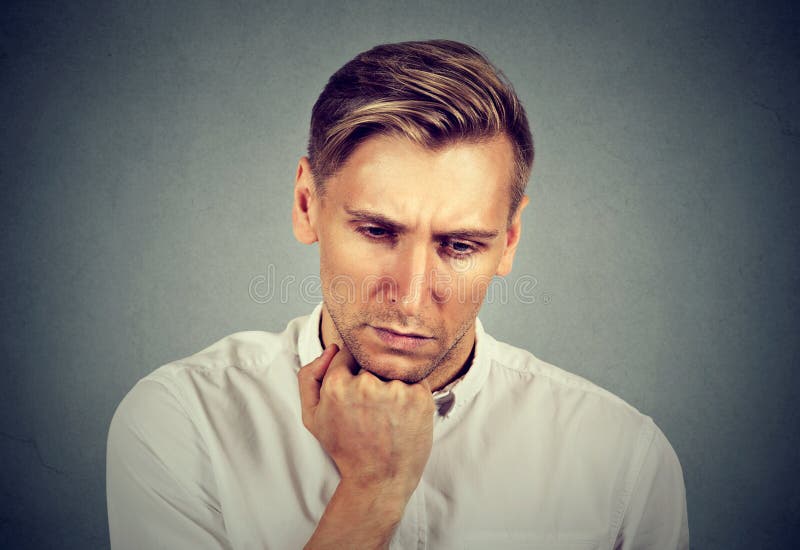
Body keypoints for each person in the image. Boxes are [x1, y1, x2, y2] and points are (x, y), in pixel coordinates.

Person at [107, 40, 689, 549]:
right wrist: (373, 492)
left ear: (509, 241)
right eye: (377, 231)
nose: (410, 299)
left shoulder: (622, 463)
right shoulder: (184, 423)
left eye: (460, 245)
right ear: (307, 204)